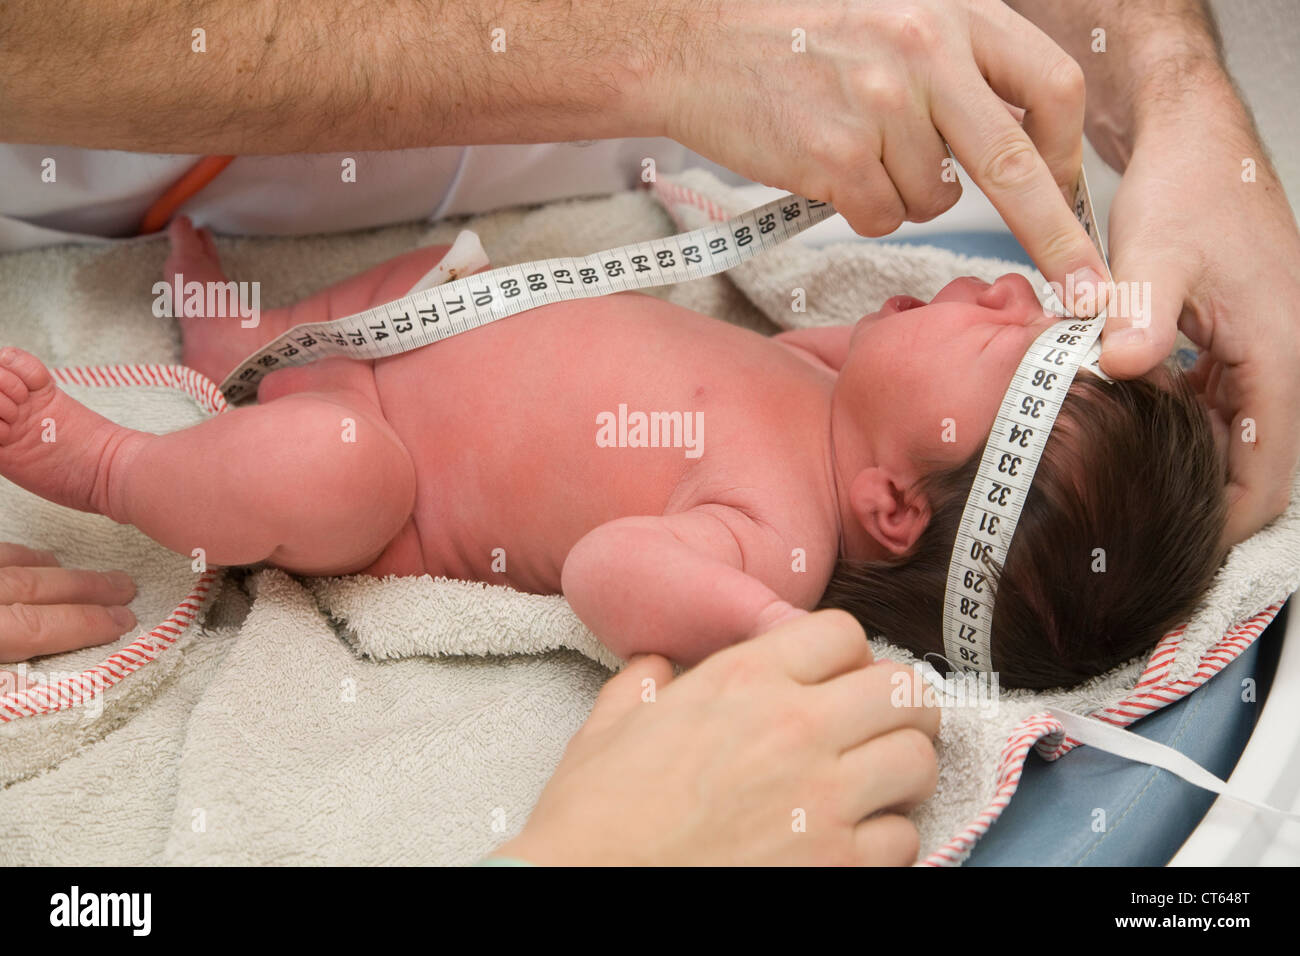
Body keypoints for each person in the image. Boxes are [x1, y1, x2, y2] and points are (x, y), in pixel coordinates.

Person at [0, 0, 1294, 864]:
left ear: (895, 507)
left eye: (1011, 342)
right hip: (402, 325)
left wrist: (1182, 95)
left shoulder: (775, 545)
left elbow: (613, 572)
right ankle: (243, 349)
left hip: (384, 477)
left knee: (318, 465)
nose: (1011, 288)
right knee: (429, 286)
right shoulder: (837, 388)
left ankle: (112, 459)